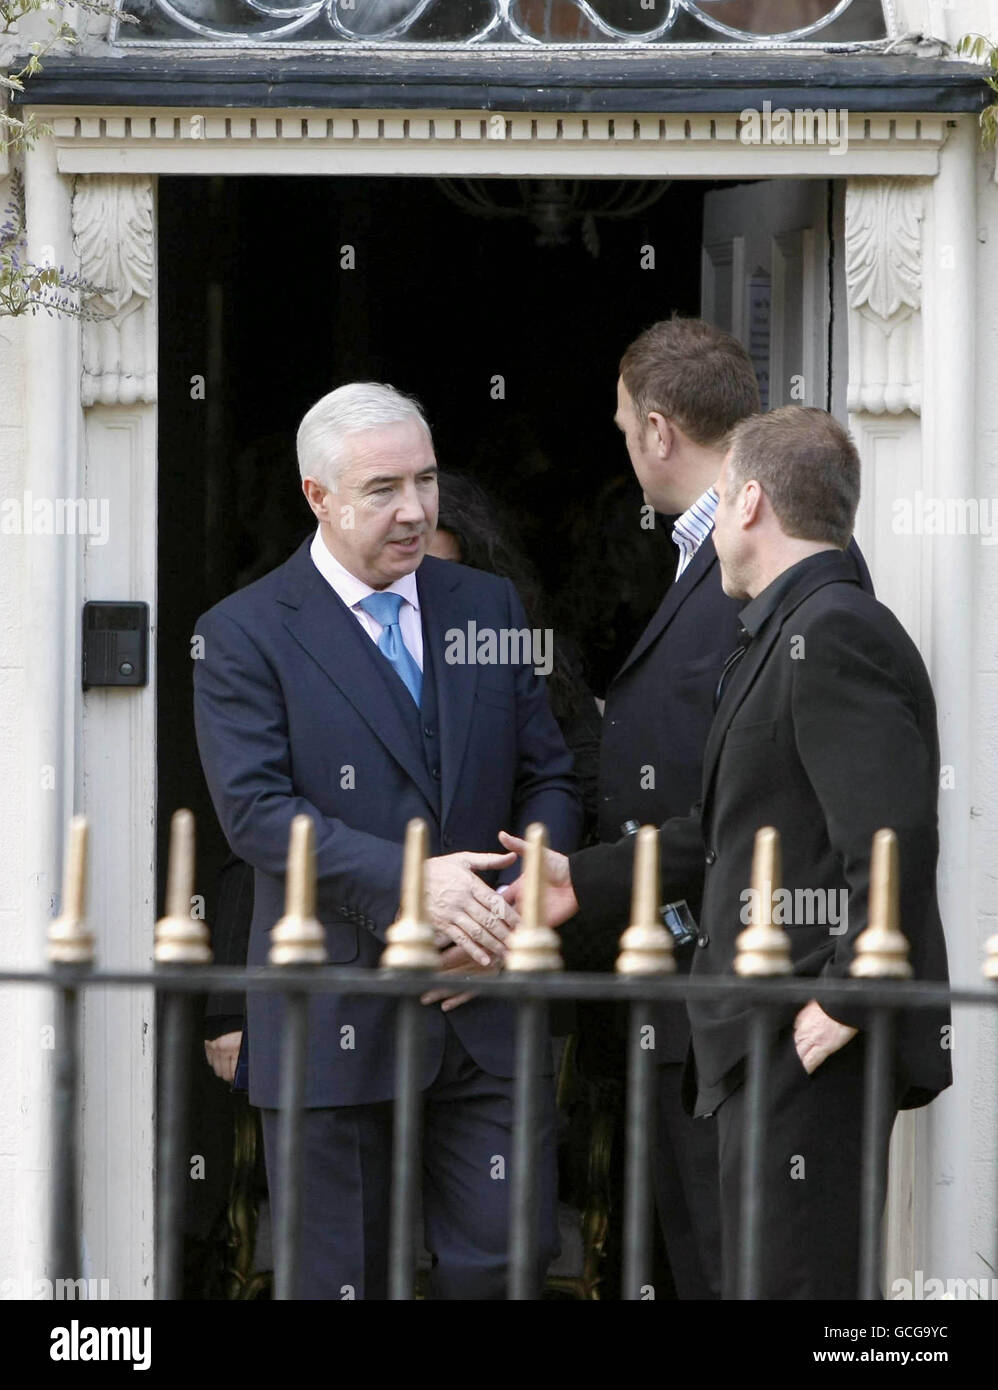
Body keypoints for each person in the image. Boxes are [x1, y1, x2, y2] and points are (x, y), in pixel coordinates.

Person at [501, 405, 952, 1300]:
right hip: (766, 1030)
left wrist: (847, 997)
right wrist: (577, 882)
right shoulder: (787, 626)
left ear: (748, 502)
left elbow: (891, 837)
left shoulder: (831, 630)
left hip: (805, 1035)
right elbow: (726, 833)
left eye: (718, 498)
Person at [193, 382, 582, 1299]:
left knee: (507, 1272)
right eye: (382, 489)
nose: (414, 510)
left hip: (484, 1007)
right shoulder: (243, 634)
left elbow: (551, 775)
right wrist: (420, 890)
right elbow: (255, 814)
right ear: (316, 497)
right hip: (333, 1014)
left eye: (426, 480)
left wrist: (513, 912)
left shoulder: (486, 605)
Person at [571, 317, 873, 1299]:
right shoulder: (701, 556)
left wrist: (580, 885)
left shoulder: (773, 580)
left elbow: (760, 803)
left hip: (734, 979)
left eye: (623, 427)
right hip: (684, 975)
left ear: (658, 430)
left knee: (731, 1262)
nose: (626, 446)